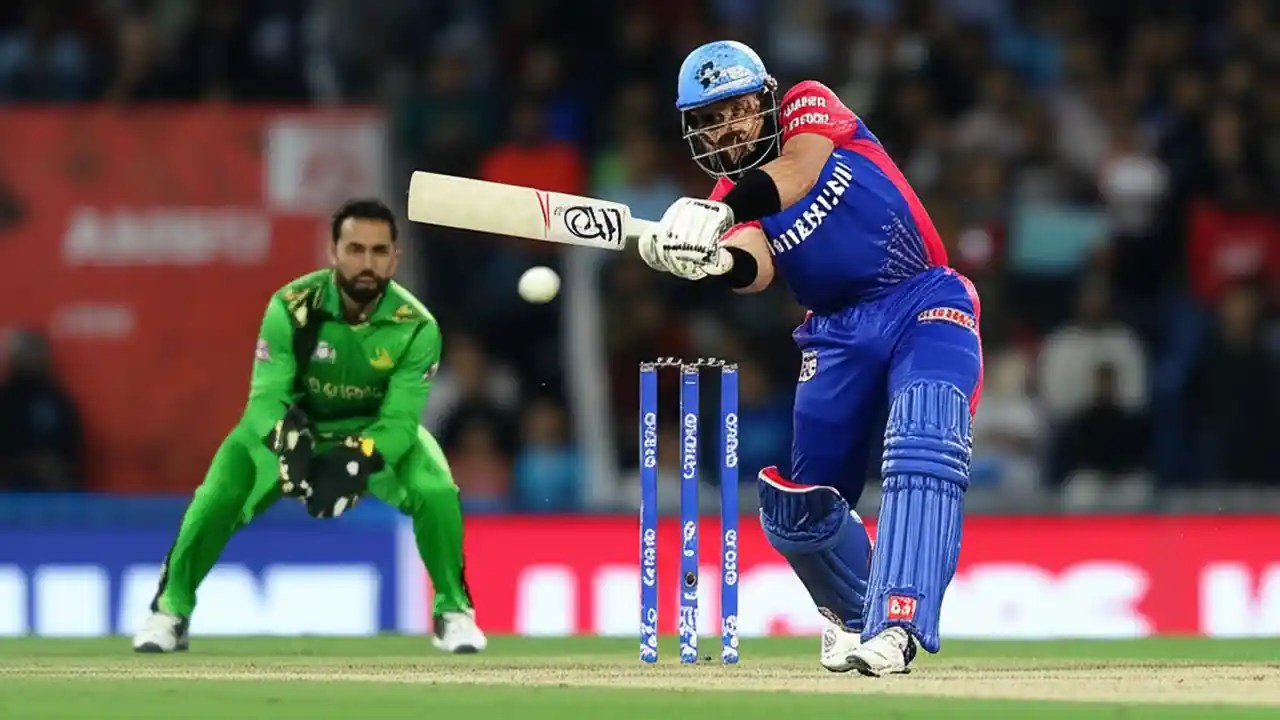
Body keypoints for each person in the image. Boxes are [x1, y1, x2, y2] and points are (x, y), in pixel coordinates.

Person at [640, 41, 984, 676]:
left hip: (921, 296)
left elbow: (795, 173)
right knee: (799, 507)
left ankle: (897, 625)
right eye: (709, 120)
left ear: (765, 99)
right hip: (834, 336)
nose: (727, 129)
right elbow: (756, 266)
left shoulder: (808, 107)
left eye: (736, 109)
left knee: (923, 436)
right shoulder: (728, 192)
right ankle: (852, 615)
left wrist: (717, 212)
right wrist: (707, 258)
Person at [131, 199, 486, 654]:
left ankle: (454, 613)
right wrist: (286, 441)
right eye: (355, 249)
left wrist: (360, 456)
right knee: (217, 495)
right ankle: (169, 612)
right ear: (333, 252)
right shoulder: (293, 307)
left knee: (436, 489)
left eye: (379, 252)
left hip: (371, 431)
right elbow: (264, 401)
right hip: (290, 429)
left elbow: (400, 422)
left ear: (395, 258)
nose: (367, 263)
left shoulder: (416, 327)